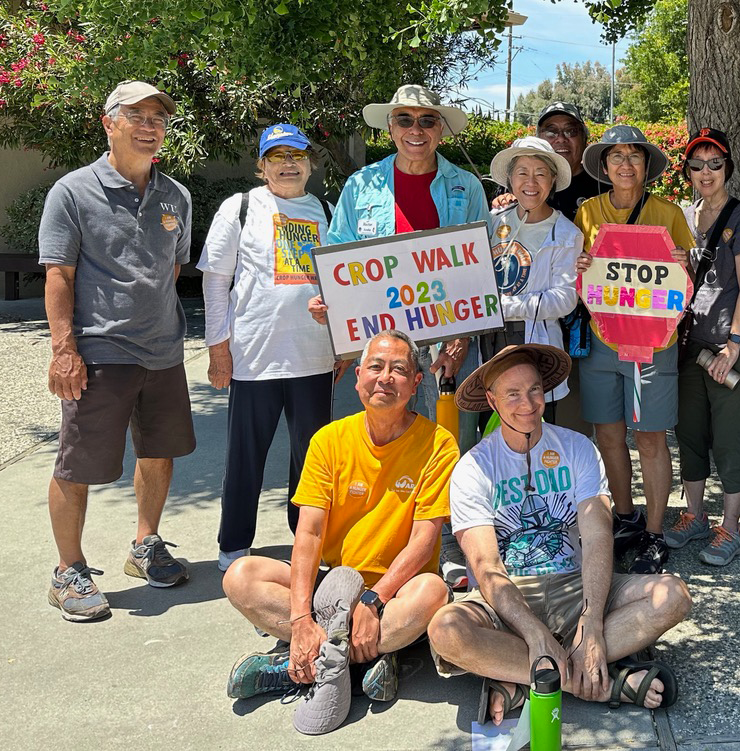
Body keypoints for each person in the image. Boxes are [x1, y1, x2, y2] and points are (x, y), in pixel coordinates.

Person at [427, 344, 692, 725]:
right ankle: (599, 680)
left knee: (673, 596)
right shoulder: (474, 467)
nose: (528, 404)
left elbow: (599, 536)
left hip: (576, 584)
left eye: (534, 390)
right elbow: (486, 567)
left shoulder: (577, 448)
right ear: (492, 400)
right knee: (446, 631)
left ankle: (522, 674)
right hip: (511, 595)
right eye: (513, 394)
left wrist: (593, 621)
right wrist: (534, 632)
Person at [222, 331, 458, 732]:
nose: (385, 377)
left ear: (416, 382)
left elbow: (424, 541)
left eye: (399, 369)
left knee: (432, 593)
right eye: (376, 367)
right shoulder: (328, 440)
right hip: (332, 589)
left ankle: (302, 665)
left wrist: (374, 599)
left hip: (394, 592)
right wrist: (299, 619)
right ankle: (361, 659)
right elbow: (309, 535)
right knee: (240, 576)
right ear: (358, 376)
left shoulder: (439, 444)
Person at [38, 80, 194, 622]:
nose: (150, 126)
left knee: (158, 453)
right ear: (109, 122)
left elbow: (172, 269)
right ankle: (69, 570)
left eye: (159, 117)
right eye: (137, 115)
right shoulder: (73, 192)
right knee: (78, 464)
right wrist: (65, 349)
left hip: (162, 352)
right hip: (100, 354)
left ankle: (144, 545)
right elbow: (59, 273)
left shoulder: (176, 195)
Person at [200, 123, 346, 572]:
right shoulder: (240, 208)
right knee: (246, 458)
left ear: (310, 164)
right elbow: (215, 280)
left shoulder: (327, 209)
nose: (288, 164)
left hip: (314, 357)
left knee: (311, 459)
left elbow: (344, 280)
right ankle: (234, 545)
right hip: (253, 357)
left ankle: (305, 541)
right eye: (277, 157)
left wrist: (343, 343)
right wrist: (218, 348)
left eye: (296, 156)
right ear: (261, 166)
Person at [307, 84, 487, 446]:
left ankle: (450, 505)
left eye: (427, 121)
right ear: (390, 128)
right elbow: (339, 254)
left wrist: (462, 335)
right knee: (387, 437)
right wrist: (332, 308)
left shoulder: (466, 186)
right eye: (404, 120)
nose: (415, 130)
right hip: (383, 336)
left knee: (452, 442)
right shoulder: (361, 185)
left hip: (448, 336)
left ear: (440, 129)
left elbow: (481, 266)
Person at [572, 125, 693, 572]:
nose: (625, 164)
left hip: (652, 344)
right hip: (602, 341)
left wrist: (685, 262)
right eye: (616, 156)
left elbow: (688, 277)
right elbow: (578, 272)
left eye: (634, 156)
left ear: (646, 166)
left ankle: (655, 532)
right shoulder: (587, 212)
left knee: (650, 436)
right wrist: (580, 264)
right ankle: (626, 516)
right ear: (604, 166)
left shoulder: (668, 213)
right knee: (607, 433)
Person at [661, 128, 740, 568]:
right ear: (687, 171)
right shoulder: (683, 216)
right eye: (697, 164)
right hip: (689, 345)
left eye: (715, 163)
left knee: (731, 438)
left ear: (728, 168)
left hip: (729, 346)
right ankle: (696, 515)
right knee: (691, 435)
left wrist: (734, 346)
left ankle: (732, 526)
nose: (706, 172)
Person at [479, 136, 583, 421]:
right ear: (511, 179)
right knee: (488, 427)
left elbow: (564, 299)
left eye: (540, 174)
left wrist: (506, 306)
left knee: (531, 423)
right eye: (522, 172)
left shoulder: (565, 233)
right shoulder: (492, 222)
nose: (531, 182)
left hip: (533, 343)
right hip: (488, 341)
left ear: (552, 180)